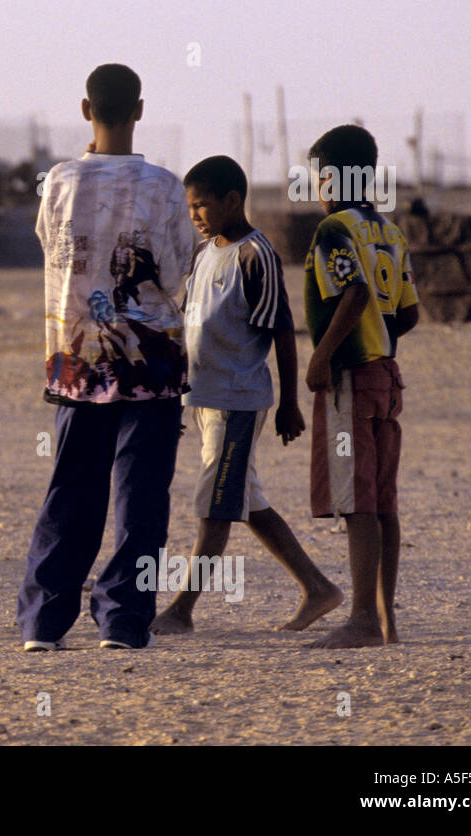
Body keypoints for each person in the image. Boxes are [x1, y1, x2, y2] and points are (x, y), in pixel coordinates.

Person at [16, 63, 196, 651]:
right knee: (141, 498)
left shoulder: (59, 182)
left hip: (76, 363)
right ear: (139, 111)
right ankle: (123, 619)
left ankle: (43, 621)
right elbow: (175, 272)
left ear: (86, 110)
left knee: (71, 489)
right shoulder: (167, 187)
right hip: (154, 368)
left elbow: (53, 249)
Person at [149, 155, 341, 636]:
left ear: (233, 201)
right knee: (247, 502)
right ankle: (319, 589)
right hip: (203, 399)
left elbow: (281, 332)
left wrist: (290, 404)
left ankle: (182, 610)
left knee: (216, 503)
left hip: (239, 399)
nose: (194, 214)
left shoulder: (257, 256)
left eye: (203, 205)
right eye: (190, 206)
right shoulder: (203, 252)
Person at [302, 125, 419, 648]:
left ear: (330, 177)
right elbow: (410, 313)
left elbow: (351, 294)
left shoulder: (333, 230)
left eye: (317, 177)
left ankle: (361, 620)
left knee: (358, 504)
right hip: (387, 379)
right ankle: (386, 619)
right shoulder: (389, 231)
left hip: (351, 377)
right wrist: (381, 333)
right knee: (384, 502)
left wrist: (321, 356)